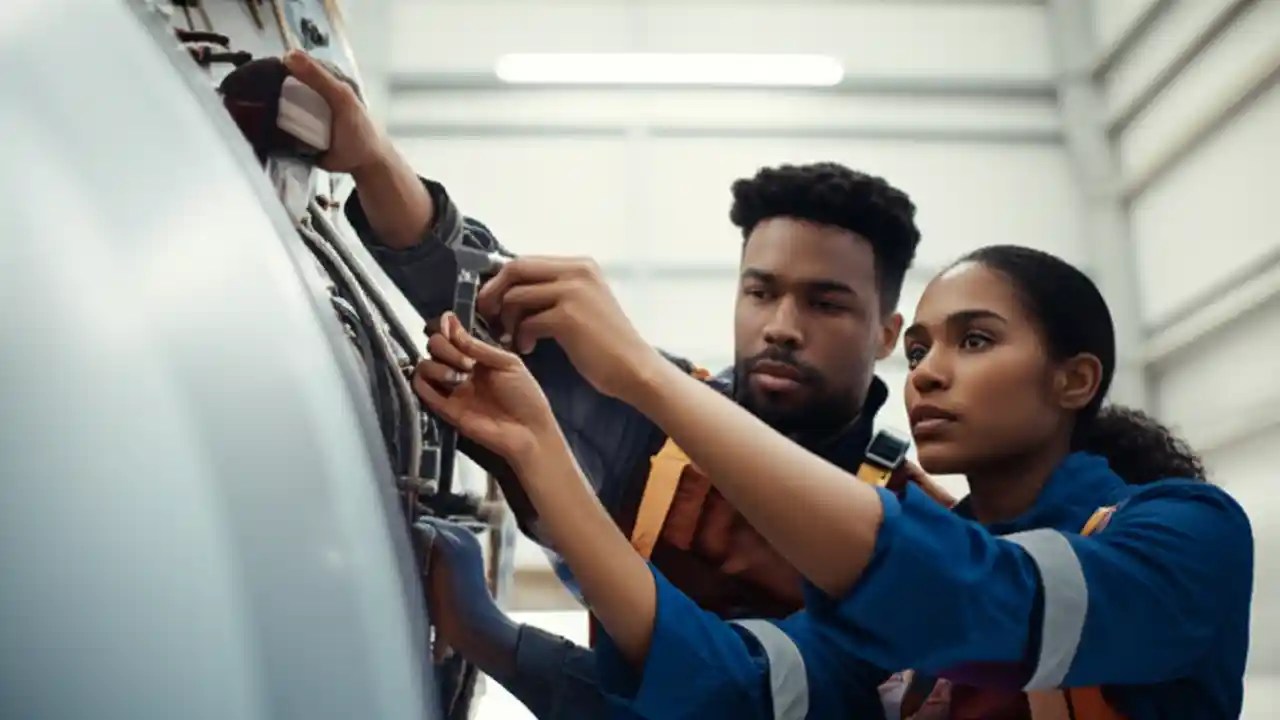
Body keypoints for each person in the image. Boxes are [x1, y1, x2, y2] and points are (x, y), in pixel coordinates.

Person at [279, 49, 937, 718]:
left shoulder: (937, 543)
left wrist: (502, 643)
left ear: (888, 334)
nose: (782, 327)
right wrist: (374, 160)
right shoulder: (653, 436)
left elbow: (744, 695)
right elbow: (481, 293)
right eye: (760, 292)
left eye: (826, 304)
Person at [414, 244, 1254, 718]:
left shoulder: (1184, 538)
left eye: (975, 341)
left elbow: (987, 602)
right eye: (919, 349)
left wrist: (646, 377)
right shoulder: (888, 617)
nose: (925, 374)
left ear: (1075, 380)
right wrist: (537, 461)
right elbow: (733, 689)